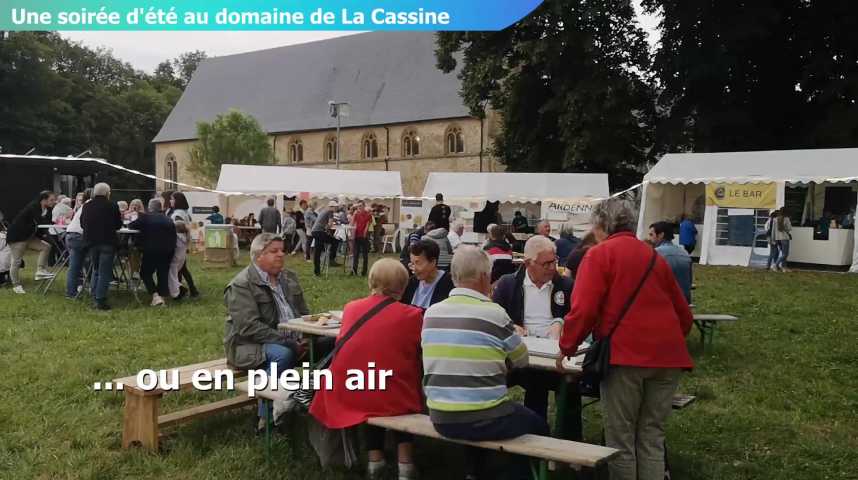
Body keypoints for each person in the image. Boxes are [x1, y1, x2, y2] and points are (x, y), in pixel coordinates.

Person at [559, 199, 693, 480]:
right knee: (651, 435)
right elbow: (684, 315)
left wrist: (567, 347)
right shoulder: (655, 256)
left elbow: (583, 309)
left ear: (601, 226)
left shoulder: (599, 255)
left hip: (625, 357)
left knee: (620, 439)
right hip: (668, 358)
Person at [423, 246, 548, 479]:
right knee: (537, 424)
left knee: (476, 409)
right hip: (486, 417)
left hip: (440, 415)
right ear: (484, 277)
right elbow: (522, 360)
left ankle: (475, 472)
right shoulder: (495, 314)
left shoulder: (431, 313)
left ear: (453, 276)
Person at [310, 259, 423, 480]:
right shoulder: (413, 315)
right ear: (402, 285)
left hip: (349, 392)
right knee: (398, 386)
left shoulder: (351, 308)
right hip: (393, 396)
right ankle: (406, 465)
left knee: (375, 382)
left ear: (372, 281)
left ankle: (375, 462)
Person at [224, 232, 309, 427]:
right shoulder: (241, 284)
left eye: (282, 250)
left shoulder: (289, 277)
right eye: (274, 251)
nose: (281, 255)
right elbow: (248, 327)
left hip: (293, 340)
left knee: (332, 344)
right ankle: (267, 418)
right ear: (258, 255)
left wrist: (308, 335)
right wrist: (289, 342)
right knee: (283, 354)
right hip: (248, 345)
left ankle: (315, 401)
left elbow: (304, 312)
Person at [493, 236, 572, 426]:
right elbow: (494, 318)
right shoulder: (508, 284)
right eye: (547, 264)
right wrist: (512, 326)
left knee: (565, 383)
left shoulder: (566, 286)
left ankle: (561, 435)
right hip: (518, 354)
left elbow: (577, 318)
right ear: (529, 263)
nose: (553, 268)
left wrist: (561, 324)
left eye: (555, 261)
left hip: (555, 356)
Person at [80, 183, 122, 310]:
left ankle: (94, 295)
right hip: (107, 242)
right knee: (104, 272)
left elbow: (82, 223)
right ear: (107, 193)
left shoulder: (86, 206)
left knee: (96, 270)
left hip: (91, 242)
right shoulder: (112, 205)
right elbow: (118, 225)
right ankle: (100, 300)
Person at [7, 190, 57, 293]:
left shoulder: (48, 210)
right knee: (16, 261)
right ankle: (16, 285)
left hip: (29, 236)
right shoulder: (33, 207)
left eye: (54, 200)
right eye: (51, 200)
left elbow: (45, 224)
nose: (54, 202)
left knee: (46, 247)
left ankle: (40, 270)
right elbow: (40, 221)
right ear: (44, 200)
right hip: (17, 237)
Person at [130, 199, 177, 307]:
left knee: (145, 273)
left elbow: (131, 226)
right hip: (168, 250)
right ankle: (163, 298)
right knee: (163, 273)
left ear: (150, 208)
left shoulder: (145, 218)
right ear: (160, 208)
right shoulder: (168, 219)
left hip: (151, 250)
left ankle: (155, 295)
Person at [402, 240, 455, 309]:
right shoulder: (411, 283)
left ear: (433, 262)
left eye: (418, 263)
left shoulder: (449, 284)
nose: (414, 268)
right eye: (412, 263)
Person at [649, 221, 693, 304]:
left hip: (664, 302)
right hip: (684, 301)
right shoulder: (684, 253)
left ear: (661, 235)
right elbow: (689, 282)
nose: (649, 238)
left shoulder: (654, 254)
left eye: (651, 235)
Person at [169, 192, 200, 298]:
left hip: (178, 242)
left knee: (175, 268)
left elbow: (180, 227)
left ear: (177, 201)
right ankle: (189, 289)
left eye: (172, 199)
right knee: (182, 268)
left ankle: (180, 290)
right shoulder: (185, 212)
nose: (170, 201)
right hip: (183, 242)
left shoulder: (177, 214)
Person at [64, 188, 91, 299]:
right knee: (94, 260)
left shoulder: (84, 205)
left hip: (71, 235)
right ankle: (92, 287)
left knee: (74, 266)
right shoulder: (91, 204)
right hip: (80, 236)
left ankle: (71, 292)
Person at [311, 200, 340, 276]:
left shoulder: (324, 211)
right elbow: (330, 224)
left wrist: (326, 229)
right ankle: (331, 259)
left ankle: (317, 272)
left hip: (314, 231)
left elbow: (324, 224)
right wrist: (332, 226)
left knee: (317, 252)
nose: (336, 208)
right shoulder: (330, 212)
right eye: (335, 207)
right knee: (335, 241)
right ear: (332, 207)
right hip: (319, 232)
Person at [351, 201, 373, 276]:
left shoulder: (368, 214)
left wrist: (364, 234)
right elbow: (352, 224)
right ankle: (354, 271)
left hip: (364, 236)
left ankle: (364, 271)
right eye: (358, 206)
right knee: (355, 254)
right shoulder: (356, 214)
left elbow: (367, 225)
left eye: (360, 206)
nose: (359, 207)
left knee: (365, 255)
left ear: (364, 206)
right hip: (356, 235)